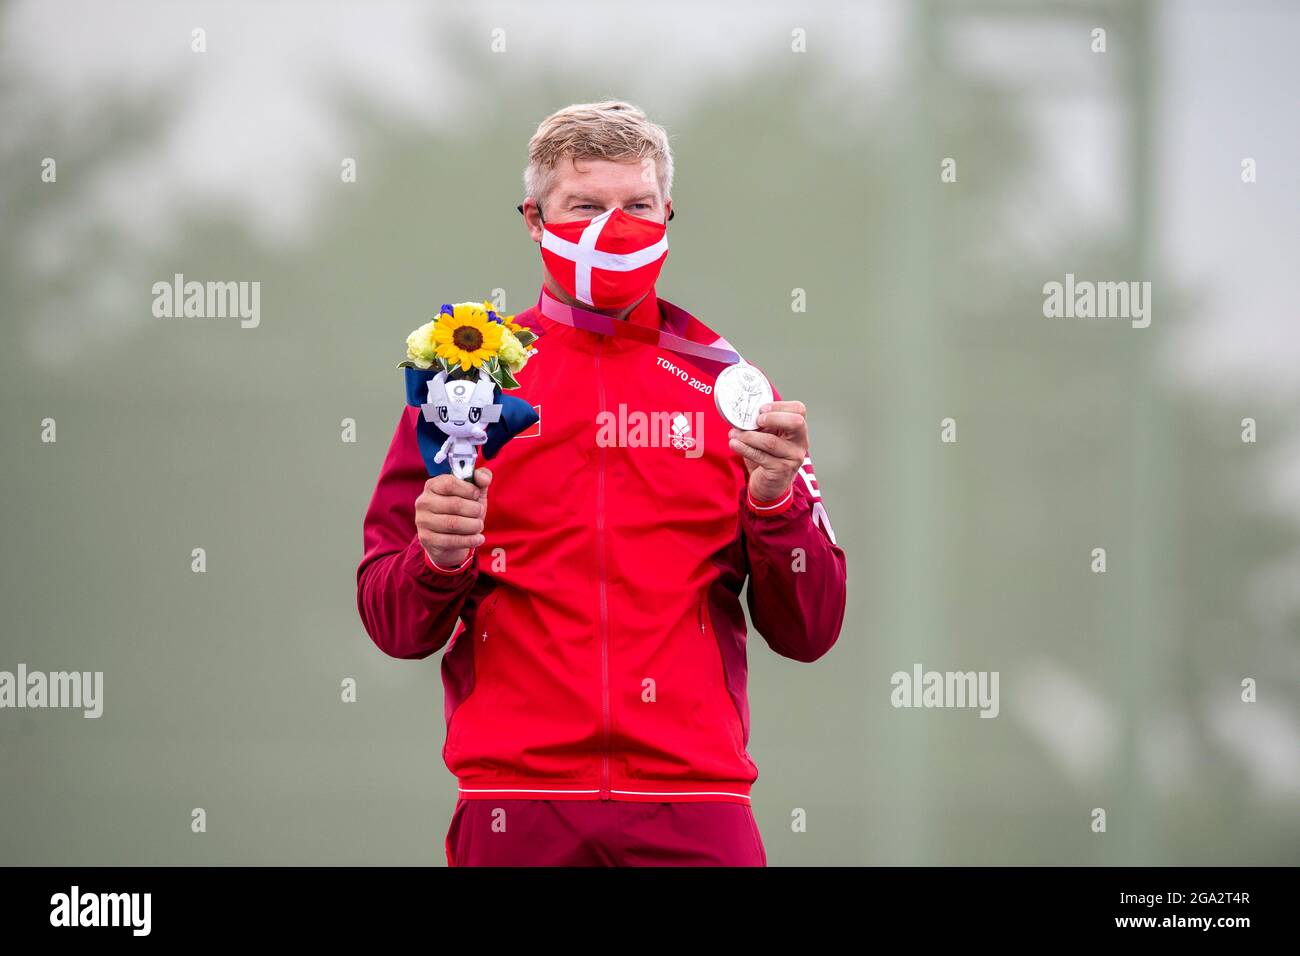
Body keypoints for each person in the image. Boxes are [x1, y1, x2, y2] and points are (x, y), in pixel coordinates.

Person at [357, 101, 847, 866]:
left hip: (695, 807)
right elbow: (392, 624)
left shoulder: (728, 387)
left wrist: (776, 504)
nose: (613, 227)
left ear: (668, 214)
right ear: (533, 219)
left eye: (637, 206)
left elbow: (811, 629)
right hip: (515, 808)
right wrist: (437, 560)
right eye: (585, 205)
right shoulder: (469, 384)